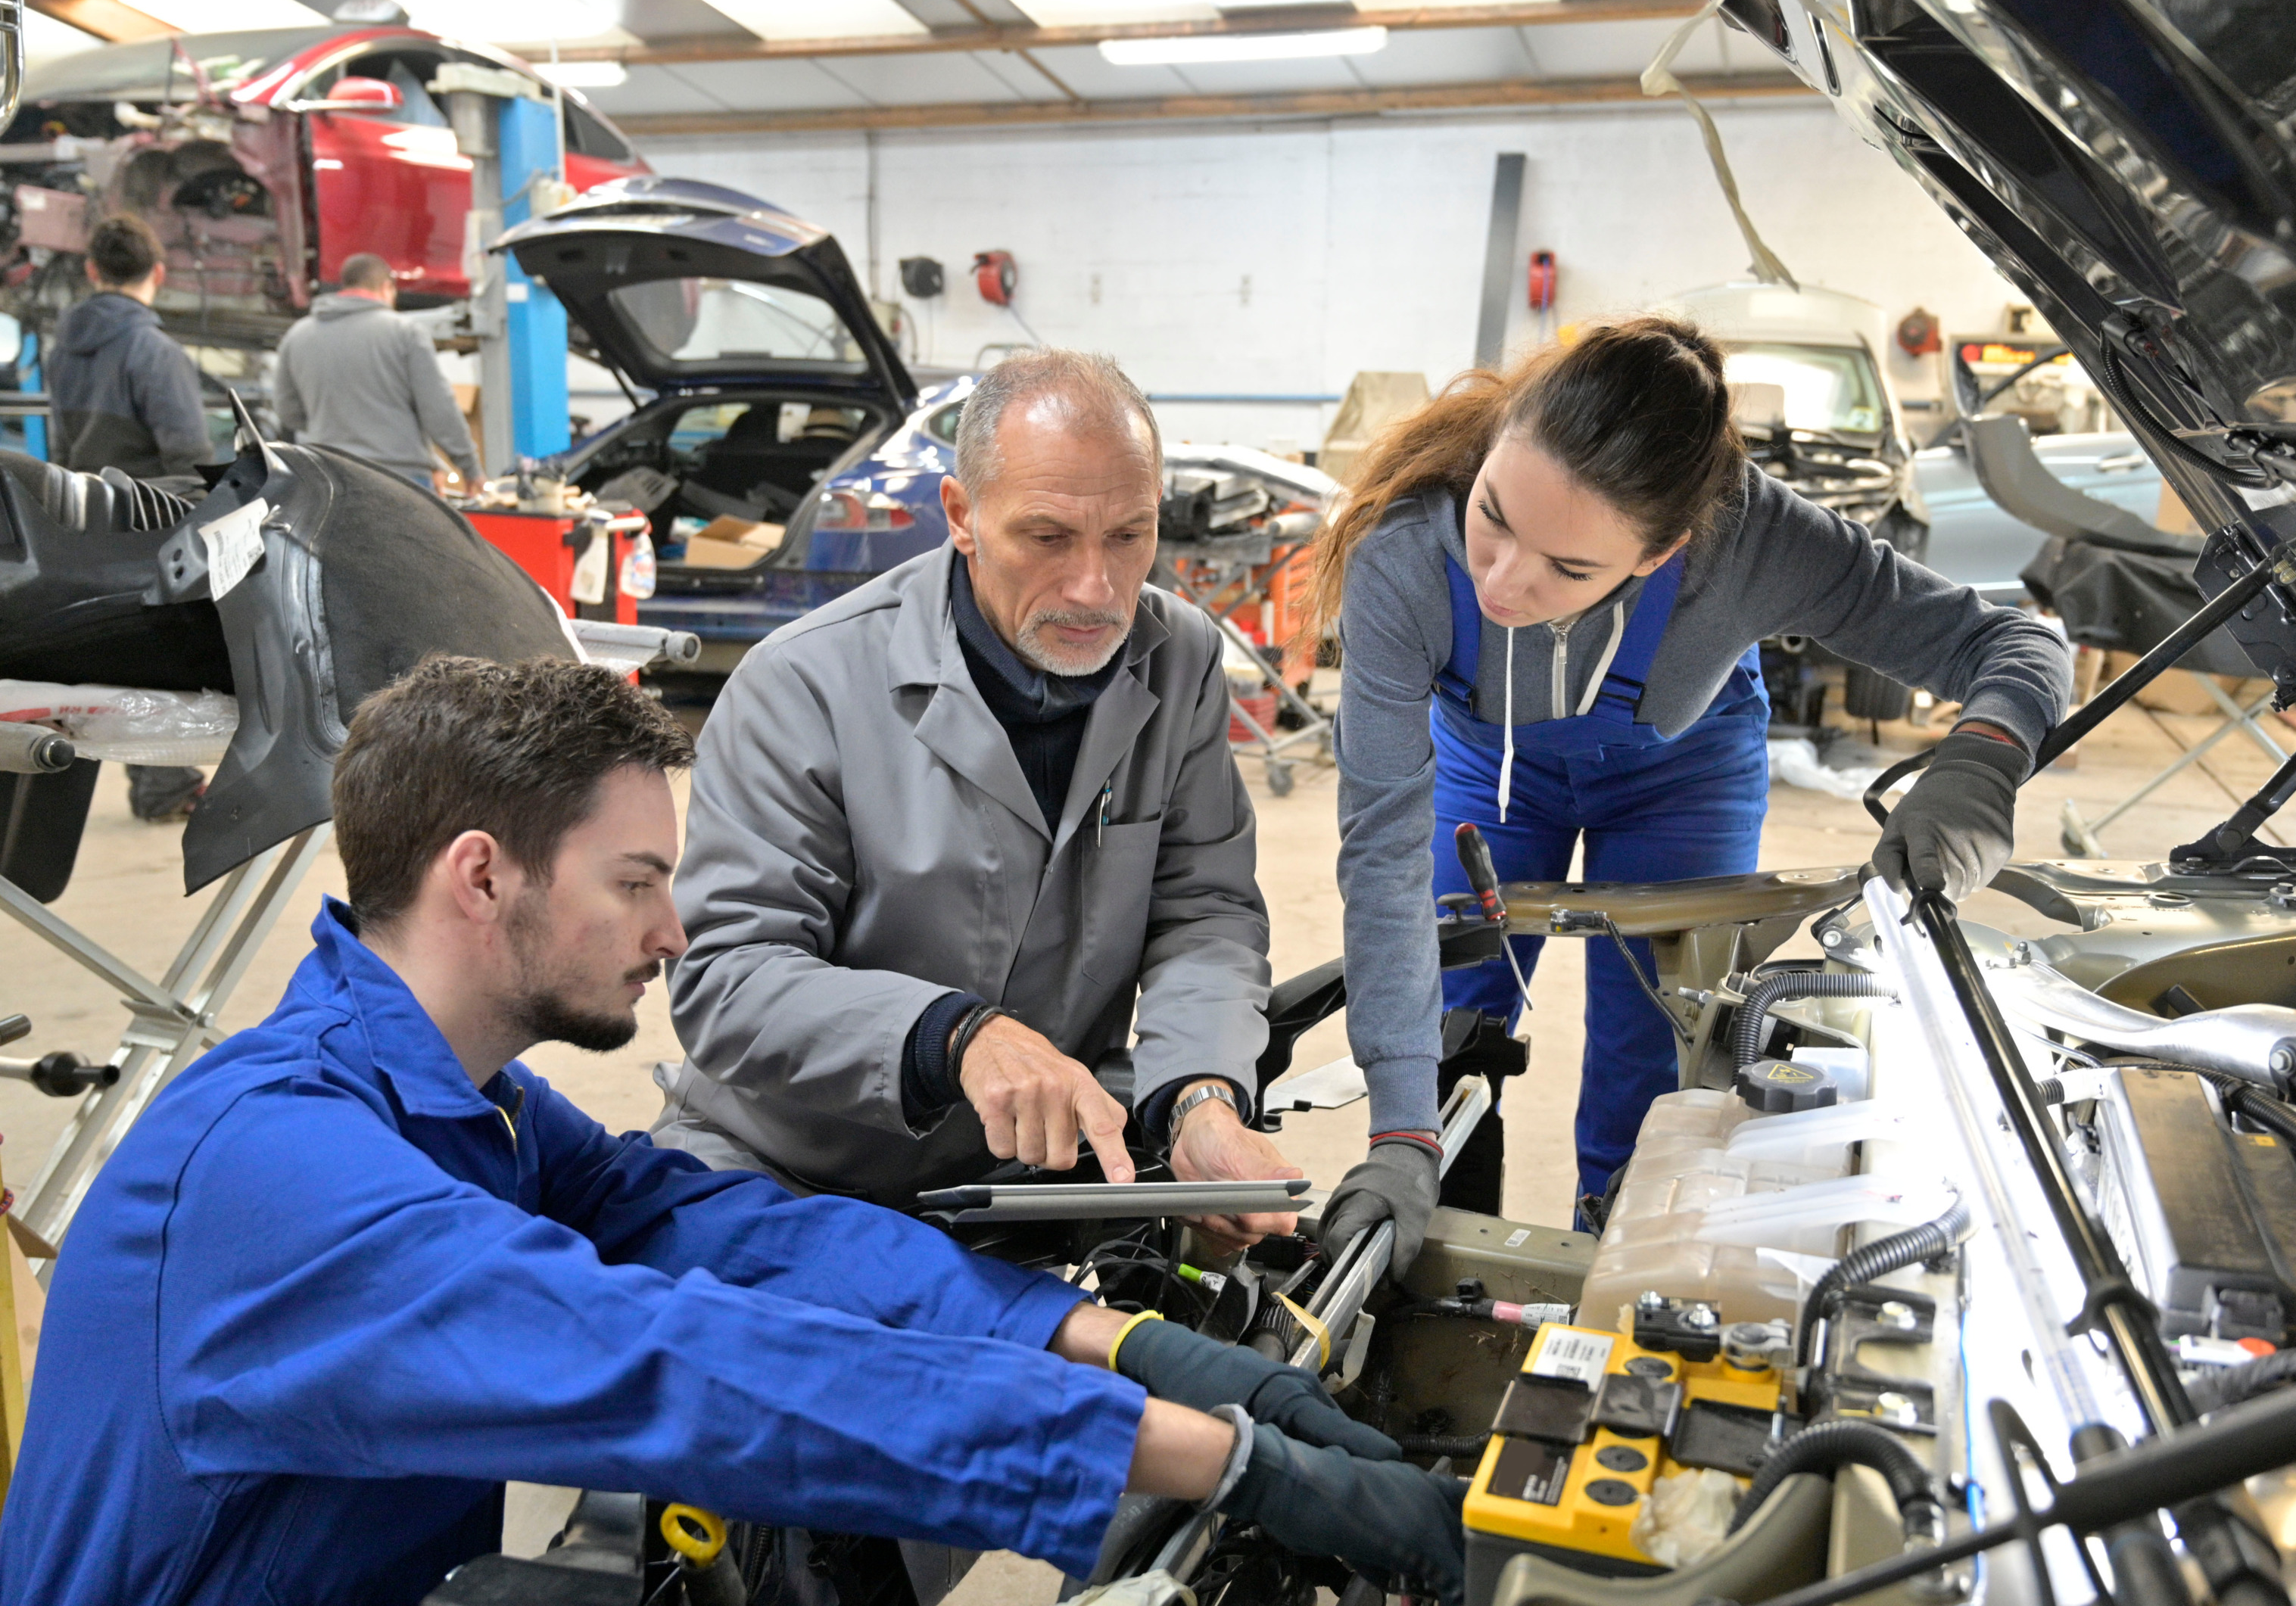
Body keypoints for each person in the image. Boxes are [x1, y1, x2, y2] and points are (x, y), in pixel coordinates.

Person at [0, 654, 1465, 1606]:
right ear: (481, 874)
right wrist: (1211, 1460)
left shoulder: (463, 1104)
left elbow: (717, 1225)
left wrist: (1112, 1344)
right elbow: (672, 1361)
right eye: (635, 879)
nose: (675, 927)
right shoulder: (281, 1169)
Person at [1313, 318, 2071, 1245]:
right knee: (1446, 1025)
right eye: (1494, 518)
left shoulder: (1753, 543)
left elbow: (2011, 640)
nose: (1502, 586)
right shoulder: (1400, 558)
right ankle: (1441, 1250)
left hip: (1678, 775)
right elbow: (1381, 857)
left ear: (1662, 550)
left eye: (1568, 566)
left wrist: (1983, 757)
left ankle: (1615, 1262)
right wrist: (1397, 1127)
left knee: (1656, 1053)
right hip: (1489, 768)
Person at [659, 350, 1304, 1252]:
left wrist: (1197, 1095)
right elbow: (726, 974)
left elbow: (1203, 911)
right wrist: (950, 1037)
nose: (1096, 587)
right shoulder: (801, 684)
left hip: (1028, 1191)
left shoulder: (1180, 656)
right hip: (786, 1179)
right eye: (1047, 537)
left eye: (1128, 535)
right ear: (961, 517)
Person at [48, 211, 215, 821]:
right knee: (166, 656)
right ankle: (164, 785)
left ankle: (156, 781)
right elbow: (189, 453)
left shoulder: (60, 349)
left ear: (93, 271)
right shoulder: (153, 348)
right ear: (160, 273)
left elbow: (63, 448)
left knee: (119, 657)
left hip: (90, 515)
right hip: (152, 519)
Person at [272, 251, 481, 491]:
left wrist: (334, 431)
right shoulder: (404, 332)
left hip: (330, 478)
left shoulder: (298, 336)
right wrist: (470, 469)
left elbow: (287, 410)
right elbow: (438, 408)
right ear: (386, 288)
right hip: (399, 479)